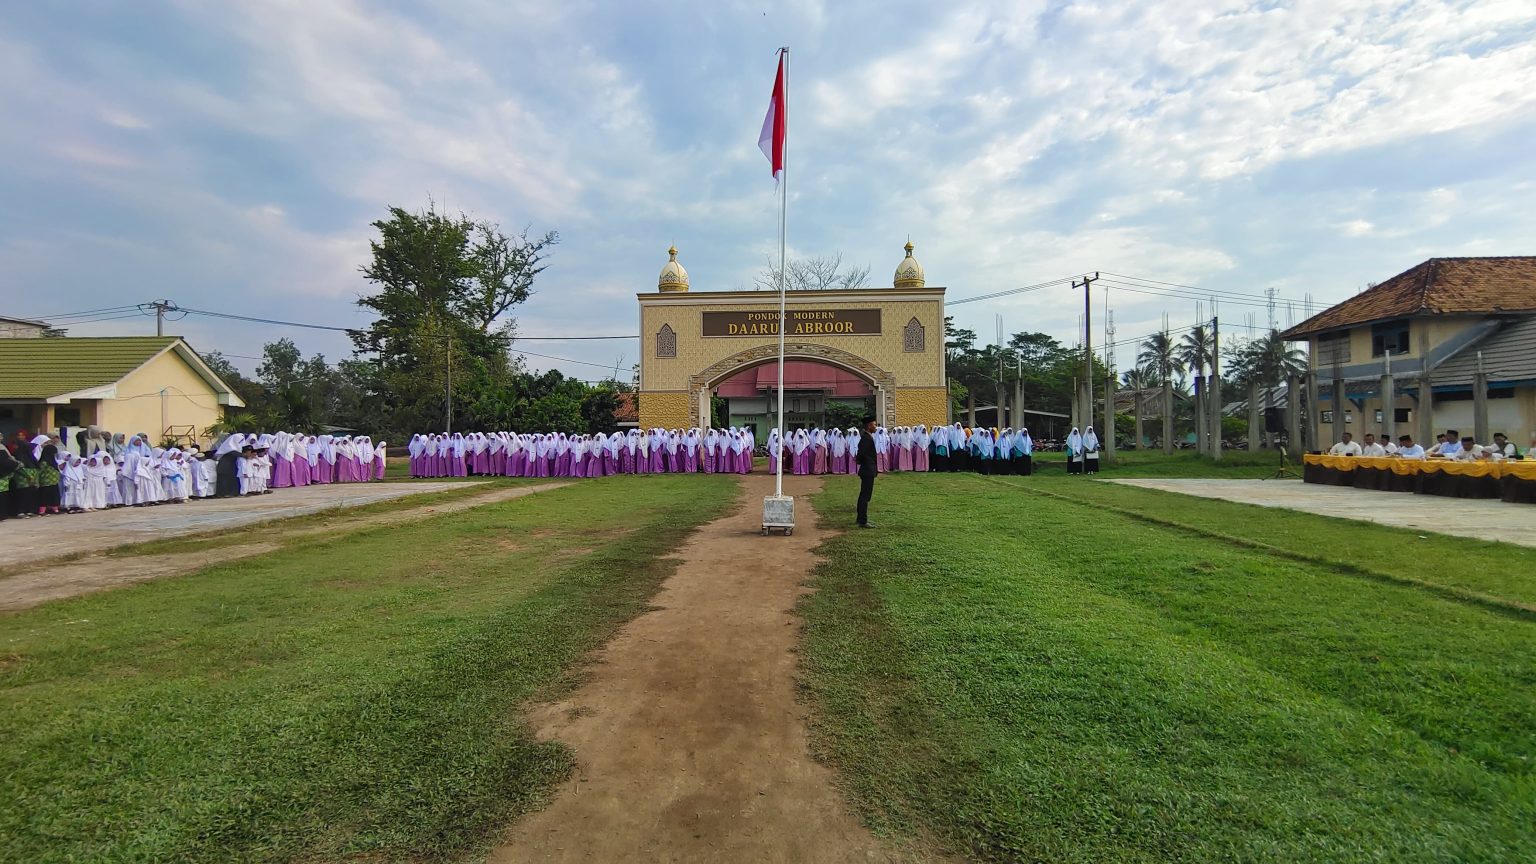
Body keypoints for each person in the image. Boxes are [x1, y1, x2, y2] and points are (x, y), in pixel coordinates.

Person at [855, 415, 877, 529]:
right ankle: (863, 521)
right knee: (865, 496)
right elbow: (861, 454)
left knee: (864, 495)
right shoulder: (866, 438)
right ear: (869, 426)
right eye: (874, 424)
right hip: (867, 470)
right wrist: (868, 464)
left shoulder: (867, 437)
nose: (876, 427)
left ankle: (860, 519)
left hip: (868, 469)